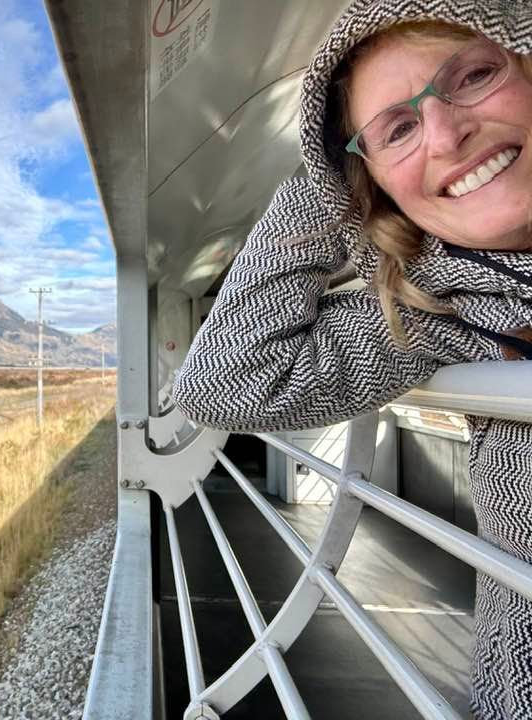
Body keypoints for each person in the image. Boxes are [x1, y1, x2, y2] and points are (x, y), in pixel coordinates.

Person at [171, 1, 532, 717]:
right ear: (375, 187)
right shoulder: (442, 313)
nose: (447, 132)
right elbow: (224, 383)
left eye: (473, 76)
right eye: (397, 130)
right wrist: (324, 179)